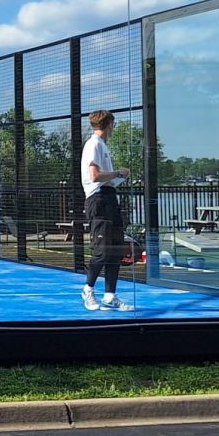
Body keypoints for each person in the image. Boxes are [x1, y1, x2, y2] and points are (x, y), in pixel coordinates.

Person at [80, 110, 132, 311]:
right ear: (108, 124)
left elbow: (106, 179)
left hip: (109, 198)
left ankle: (110, 296)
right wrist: (118, 171)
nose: (114, 128)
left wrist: (119, 177)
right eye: (113, 124)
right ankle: (88, 289)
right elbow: (94, 176)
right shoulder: (93, 144)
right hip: (98, 200)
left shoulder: (102, 146)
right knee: (102, 251)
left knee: (115, 250)